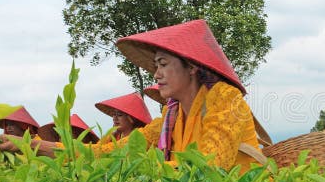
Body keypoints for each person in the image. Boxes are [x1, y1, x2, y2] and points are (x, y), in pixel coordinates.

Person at [109, 19, 261, 172]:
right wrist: (95, 153)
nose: (156, 75)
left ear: (191, 66)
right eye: (156, 66)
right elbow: (136, 142)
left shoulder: (225, 97)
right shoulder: (172, 113)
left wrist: (147, 169)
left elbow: (211, 165)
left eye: (163, 64)